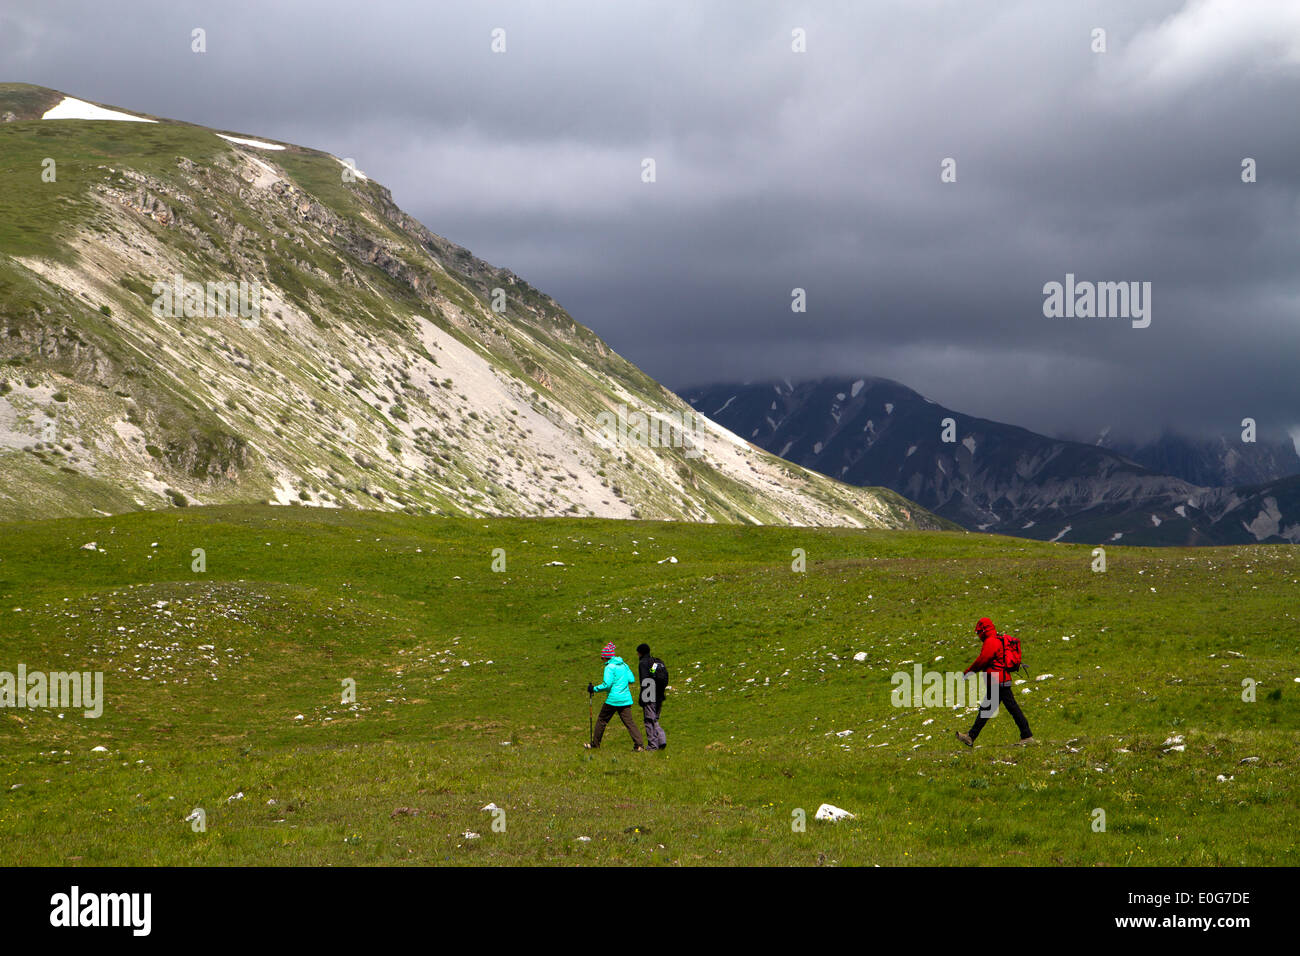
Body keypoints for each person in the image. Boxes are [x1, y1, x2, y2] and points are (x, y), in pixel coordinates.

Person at [955, 617, 1035, 747]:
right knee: (989, 709)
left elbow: (982, 660)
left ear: (983, 630)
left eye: (978, 632)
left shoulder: (991, 642)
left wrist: (968, 672)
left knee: (1010, 708)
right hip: (999, 680)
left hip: (998, 681)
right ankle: (971, 736)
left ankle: (1027, 735)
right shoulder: (995, 639)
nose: (978, 635)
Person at [585, 642, 644, 751]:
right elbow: (631, 680)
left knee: (602, 720)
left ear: (605, 657)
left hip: (613, 699)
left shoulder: (609, 667)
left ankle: (595, 744)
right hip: (625, 699)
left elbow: (607, 685)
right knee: (629, 723)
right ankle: (639, 745)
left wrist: (593, 689)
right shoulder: (623, 664)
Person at [635, 643, 669, 751]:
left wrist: (642, 697)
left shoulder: (643, 663)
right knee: (655, 719)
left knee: (649, 720)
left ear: (640, 653)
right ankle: (660, 741)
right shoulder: (656, 662)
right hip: (660, 695)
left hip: (649, 695)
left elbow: (645, 681)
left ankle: (653, 745)